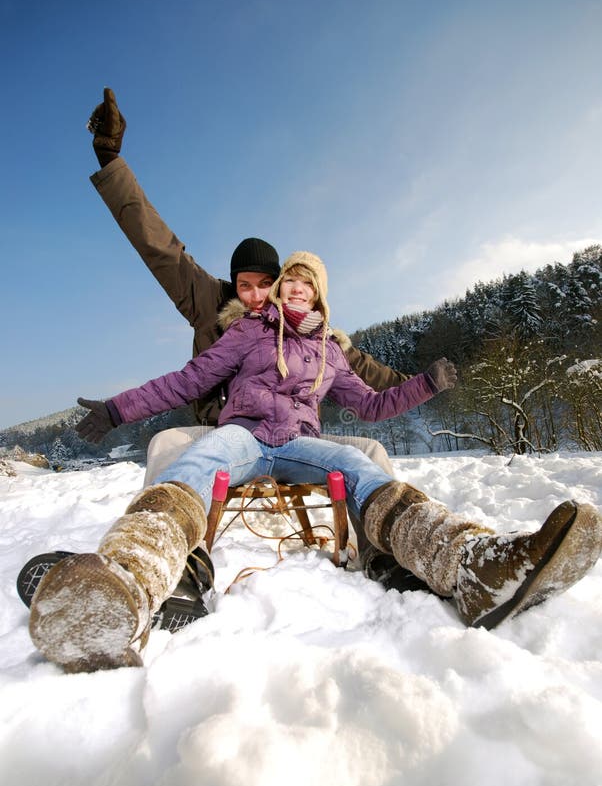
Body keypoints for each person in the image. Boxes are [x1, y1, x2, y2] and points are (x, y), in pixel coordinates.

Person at [29, 252, 602, 674]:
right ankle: (128, 578)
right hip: (246, 436)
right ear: (279, 293)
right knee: (198, 459)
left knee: (364, 469)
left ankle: (470, 564)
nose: (297, 289)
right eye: (290, 282)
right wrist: (116, 407)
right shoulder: (248, 333)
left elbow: (372, 406)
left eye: (308, 283)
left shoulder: (329, 348)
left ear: (320, 295)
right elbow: (190, 380)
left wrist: (424, 385)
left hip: (300, 444)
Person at [85, 87, 417, 585]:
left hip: (295, 439)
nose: (258, 297)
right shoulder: (208, 300)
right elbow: (157, 246)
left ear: (284, 287)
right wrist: (111, 162)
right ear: (233, 284)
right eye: (247, 286)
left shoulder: (310, 333)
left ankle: (380, 551)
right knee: (165, 447)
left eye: (268, 285)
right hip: (225, 432)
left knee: (369, 454)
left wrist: (425, 382)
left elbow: (367, 374)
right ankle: (179, 558)